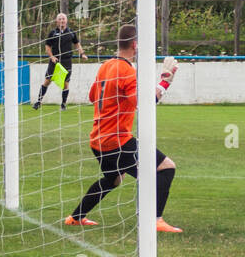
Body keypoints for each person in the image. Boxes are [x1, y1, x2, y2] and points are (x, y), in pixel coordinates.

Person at [64, 24, 182, 233]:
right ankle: (155, 219)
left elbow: (93, 96)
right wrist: (165, 82)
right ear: (135, 45)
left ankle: (76, 217)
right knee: (165, 168)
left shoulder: (106, 65)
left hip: (97, 140)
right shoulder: (126, 71)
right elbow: (143, 105)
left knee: (113, 179)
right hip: (116, 141)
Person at [34, 12, 86, 110]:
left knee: (66, 83)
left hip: (67, 61)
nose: (62, 20)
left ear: (66, 21)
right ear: (57, 21)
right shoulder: (53, 33)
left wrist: (82, 54)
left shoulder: (71, 33)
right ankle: (38, 102)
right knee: (47, 81)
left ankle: (63, 104)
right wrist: (52, 57)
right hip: (55, 61)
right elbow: (47, 46)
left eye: (63, 19)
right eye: (60, 19)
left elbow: (77, 44)